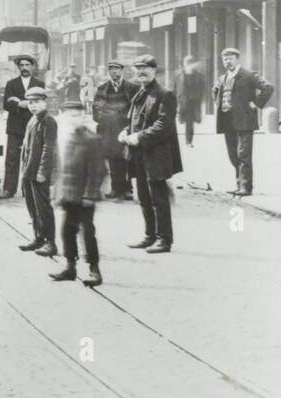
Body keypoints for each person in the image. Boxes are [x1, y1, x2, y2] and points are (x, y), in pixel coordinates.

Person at [120, 55, 182, 254]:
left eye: (145, 68)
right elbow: (135, 119)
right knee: (144, 197)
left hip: (157, 154)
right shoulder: (140, 93)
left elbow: (164, 125)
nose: (141, 72)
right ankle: (150, 236)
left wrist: (139, 136)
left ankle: (165, 239)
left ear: (155, 70)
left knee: (159, 198)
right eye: (137, 68)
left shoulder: (165, 94)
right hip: (138, 153)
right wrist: (125, 131)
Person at [48, 100, 104, 287]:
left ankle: (94, 270)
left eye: (75, 115)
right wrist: (57, 193)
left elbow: (98, 170)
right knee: (67, 232)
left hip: (84, 197)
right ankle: (70, 267)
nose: (72, 119)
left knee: (88, 232)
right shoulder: (65, 138)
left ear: (82, 116)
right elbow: (61, 168)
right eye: (68, 115)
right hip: (68, 194)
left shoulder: (91, 139)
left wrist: (90, 194)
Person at [211, 47, 273, 196]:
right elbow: (215, 91)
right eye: (225, 59)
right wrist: (218, 101)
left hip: (245, 120)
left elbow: (268, 87)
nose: (227, 61)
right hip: (227, 121)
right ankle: (239, 185)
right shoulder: (222, 77)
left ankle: (246, 187)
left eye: (230, 58)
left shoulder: (249, 75)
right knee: (233, 154)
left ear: (237, 59)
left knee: (243, 154)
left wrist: (256, 103)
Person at [17, 86, 58, 257]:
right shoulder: (33, 120)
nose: (33, 106)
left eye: (37, 102)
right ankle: (38, 238)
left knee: (43, 208)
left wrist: (42, 171)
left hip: (39, 172)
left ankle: (51, 243)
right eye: (30, 103)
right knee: (32, 207)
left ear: (44, 102)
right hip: (28, 170)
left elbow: (49, 148)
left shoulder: (48, 121)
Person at [92, 60, 137, 200]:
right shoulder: (102, 88)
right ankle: (115, 188)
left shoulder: (132, 88)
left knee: (127, 158)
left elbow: (135, 109)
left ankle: (128, 189)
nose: (114, 72)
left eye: (117, 69)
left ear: (122, 71)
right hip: (108, 129)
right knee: (112, 158)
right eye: (111, 69)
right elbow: (96, 109)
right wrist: (104, 118)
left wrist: (129, 124)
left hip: (126, 128)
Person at [0, 55, 41, 199]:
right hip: (15, 128)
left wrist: (26, 103)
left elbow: (42, 104)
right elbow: (5, 104)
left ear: (32, 67)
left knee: (33, 158)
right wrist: (18, 104)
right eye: (22, 65)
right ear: (18, 67)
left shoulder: (39, 84)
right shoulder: (11, 84)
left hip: (34, 127)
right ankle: (9, 190)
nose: (24, 68)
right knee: (12, 158)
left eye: (27, 65)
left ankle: (29, 190)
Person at [172, 56, 205, 148]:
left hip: (193, 103)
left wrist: (197, 98)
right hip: (181, 102)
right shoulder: (178, 74)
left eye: (190, 63)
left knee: (189, 123)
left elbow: (202, 90)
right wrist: (174, 101)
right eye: (187, 63)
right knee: (181, 121)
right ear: (184, 64)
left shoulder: (199, 76)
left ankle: (188, 141)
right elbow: (174, 88)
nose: (188, 65)